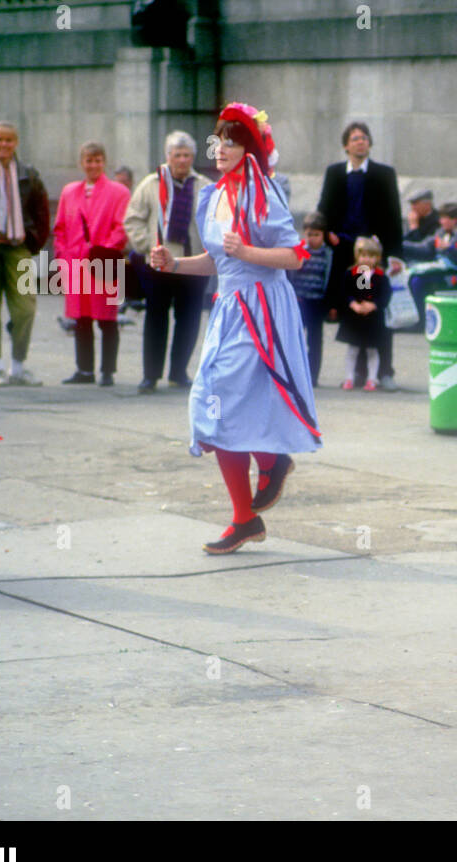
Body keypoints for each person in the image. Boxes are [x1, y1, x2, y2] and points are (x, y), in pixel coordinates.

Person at [148, 102, 320, 554]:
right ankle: (247, 510)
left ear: (250, 148)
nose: (219, 148)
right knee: (215, 405)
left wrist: (246, 253)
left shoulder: (263, 193)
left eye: (231, 140)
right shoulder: (214, 194)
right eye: (217, 139)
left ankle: (266, 469)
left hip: (262, 309)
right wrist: (174, 264)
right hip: (229, 307)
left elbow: (294, 256)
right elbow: (217, 261)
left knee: (218, 401)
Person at [124, 131, 214, 393]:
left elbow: (214, 222)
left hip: (193, 263)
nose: (183, 160)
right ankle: (150, 375)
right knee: (156, 317)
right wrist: (149, 247)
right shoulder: (151, 184)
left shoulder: (204, 186)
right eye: (177, 155)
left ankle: (178, 372)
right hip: (159, 264)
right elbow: (132, 219)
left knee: (189, 319)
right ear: (168, 156)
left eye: (187, 155)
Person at [316, 122, 403, 389]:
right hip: (345, 254)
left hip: (373, 256)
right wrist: (327, 233)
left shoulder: (383, 174)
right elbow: (323, 210)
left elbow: (394, 215)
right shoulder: (334, 173)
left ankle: (384, 371)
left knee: (377, 309)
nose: (360, 142)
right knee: (353, 311)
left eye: (364, 138)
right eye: (354, 139)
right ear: (346, 145)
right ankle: (358, 372)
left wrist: (395, 254)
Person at [0, 121, 50, 387]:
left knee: (25, 308)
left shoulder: (29, 174)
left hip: (19, 249)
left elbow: (42, 212)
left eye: (8, 140)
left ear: (16, 143)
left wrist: (34, 242)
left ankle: (18, 367)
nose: (3, 145)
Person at [54, 141, 130, 386]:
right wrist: (63, 253)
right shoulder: (69, 192)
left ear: (104, 162)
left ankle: (107, 371)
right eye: (89, 160)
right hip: (75, 261)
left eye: (98, 160)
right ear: (81, 163)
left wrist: (105, 248)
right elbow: (60, 228)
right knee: (81, 318)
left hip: (103, 260)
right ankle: (84, 370)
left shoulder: (119, 192)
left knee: (107, 319)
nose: (93, 165)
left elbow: (122, 226)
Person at [402, 202, 457, 320]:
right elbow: (424, 248)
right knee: (413, 277)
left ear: (454, 220)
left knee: (418, 281)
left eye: (444, 218)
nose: (441, 222)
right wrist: (399, 245)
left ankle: (421, 320)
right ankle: (417, 318)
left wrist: (450, 248)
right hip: (441, 270)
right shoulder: (441, 232)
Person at [334, 236, 391, 390]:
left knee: (372, 350)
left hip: (373, 319)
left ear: (377, 258)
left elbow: (385, 296)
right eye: (364, 255)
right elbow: (344, 293)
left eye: (371, 256)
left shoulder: (381, 276)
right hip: (354, 318)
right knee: (353, 349)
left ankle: (372, 379)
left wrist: (373, 305)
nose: (367, 259)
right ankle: (349, 378)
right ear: (357, 256)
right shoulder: (351, 273)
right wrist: (353, 304)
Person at [288, 212, 334, 386]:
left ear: (323, 235)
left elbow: (328, 279)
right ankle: (295, 374)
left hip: (317, 302)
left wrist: (329, 304)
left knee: (315, 341)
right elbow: (290, 273)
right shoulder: (300, 251)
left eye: (316, 235)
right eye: (309, 234)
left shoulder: (327, 254)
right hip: (300, 301)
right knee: (296, 338)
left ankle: (313, 376)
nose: (312, 238)